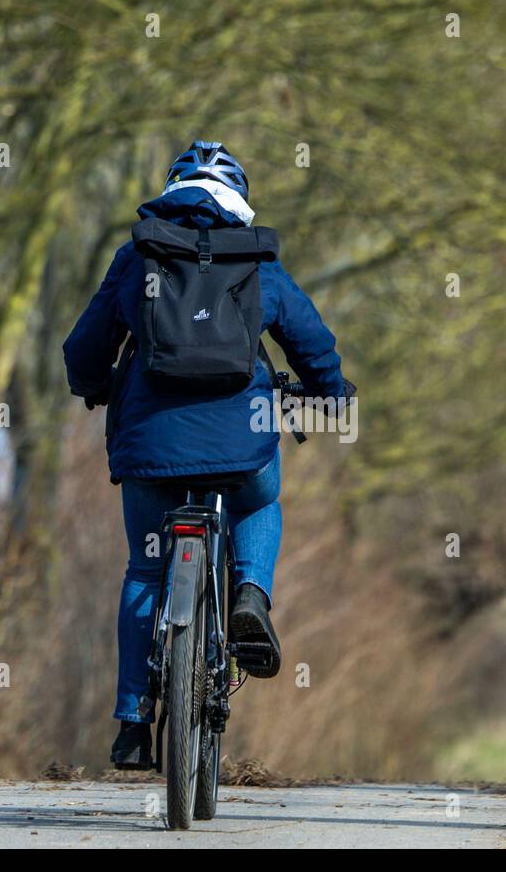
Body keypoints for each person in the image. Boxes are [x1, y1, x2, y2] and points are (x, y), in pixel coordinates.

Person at [62, 141, 352, 770]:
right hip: (239, 439)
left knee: (145, 571)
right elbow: (309, 338)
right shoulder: (258, 261)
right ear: (240, 199)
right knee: (261, 498)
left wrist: (91, 386)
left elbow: (84, 345)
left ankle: (133, 723)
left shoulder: (137, 255)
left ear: (171, 190)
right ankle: (250, 593)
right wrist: (330, 393)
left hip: (150, 441)